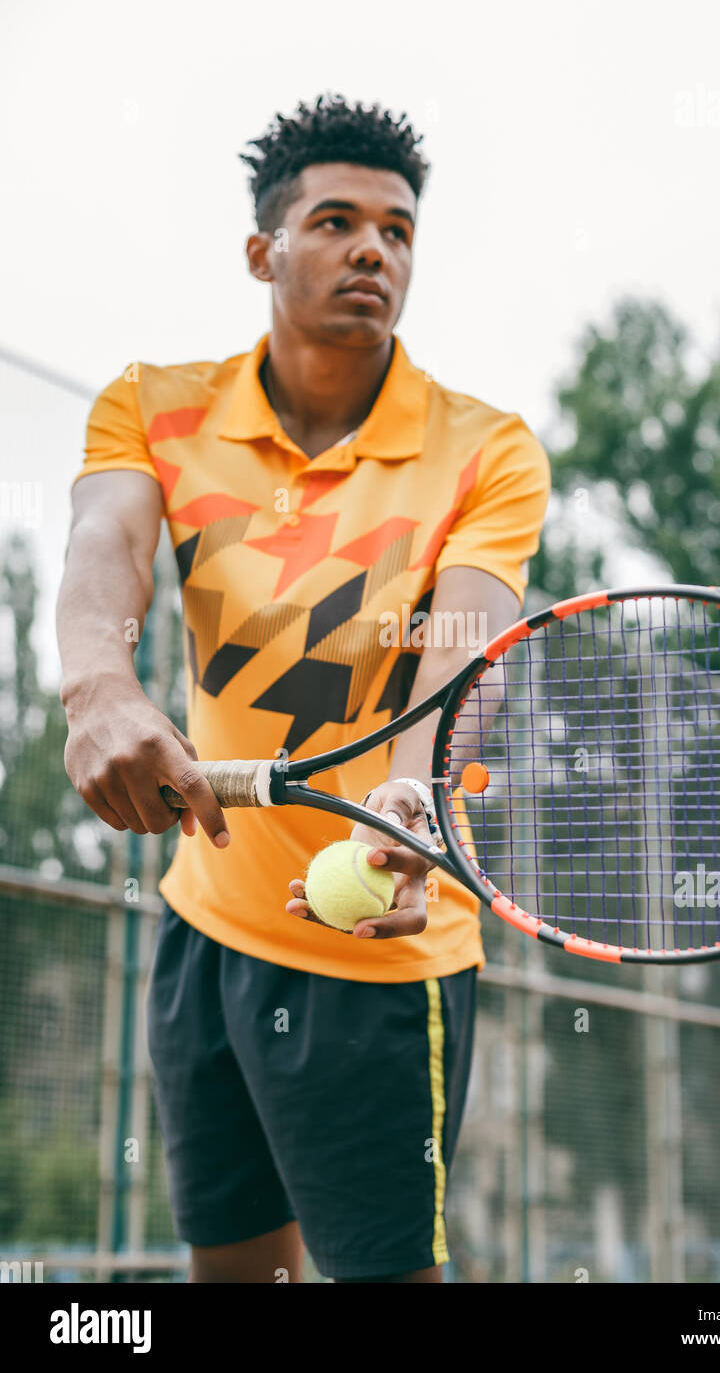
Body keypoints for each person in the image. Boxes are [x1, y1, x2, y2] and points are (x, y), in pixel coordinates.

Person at [57, 94, 550, 1284]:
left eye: (396, 230)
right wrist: (98, 690)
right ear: (261, 250)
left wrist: (411, 797)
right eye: (335, 221)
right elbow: (104, 544)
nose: (372, 249)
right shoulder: (152, 405)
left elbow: (465, 642)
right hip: (205, 923)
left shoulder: (488, 449)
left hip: (379, 944)